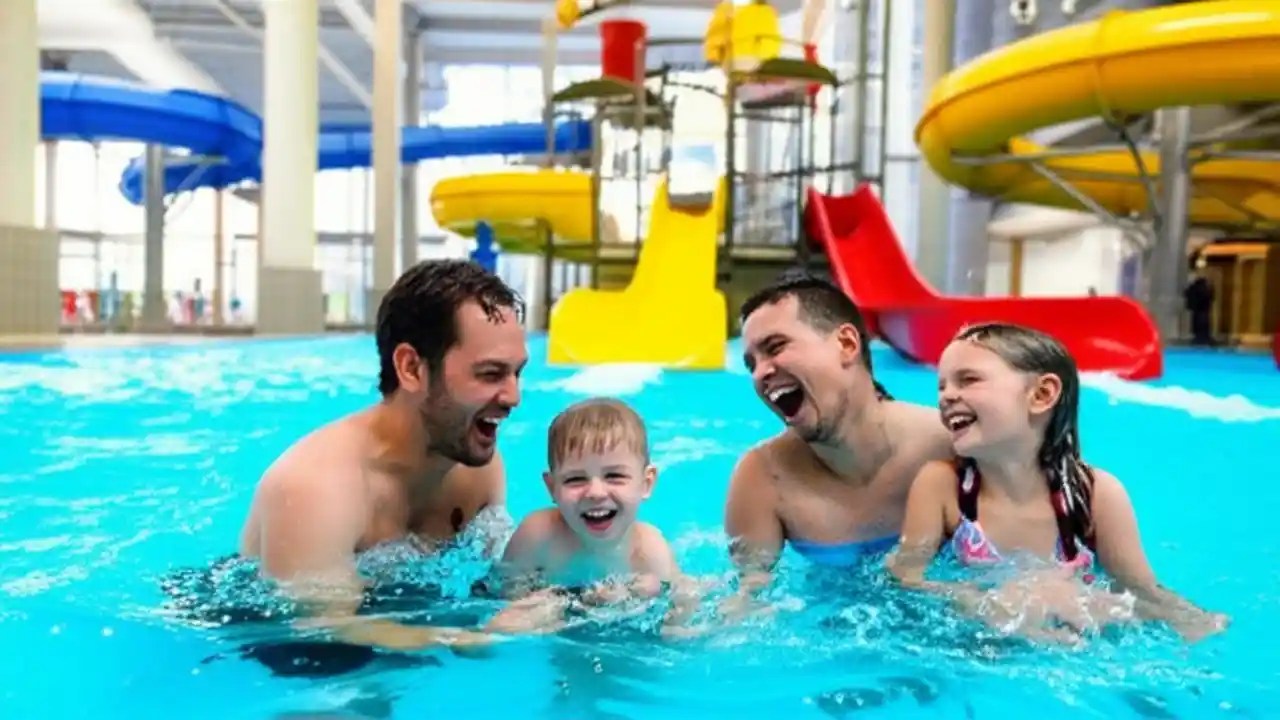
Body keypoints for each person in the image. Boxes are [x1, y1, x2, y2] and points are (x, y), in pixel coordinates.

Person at [238, 259, 528, 650]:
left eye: (517, 373)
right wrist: (471, 639)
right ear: (411, 368)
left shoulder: (479, 466)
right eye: (491, 374)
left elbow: (493, 584)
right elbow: (321, 631)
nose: (513, 397)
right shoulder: (316, 488)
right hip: (269, 640)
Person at [888, 322, 1227, 642]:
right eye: (942, 384)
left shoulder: (1096, 495)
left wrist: (1194, 621)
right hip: (978, 645)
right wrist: (983, 602)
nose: (946, 396)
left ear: (1042, 394)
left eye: (968, 379)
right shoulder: (943, 486)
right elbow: (904, 581)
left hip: (1069, 646)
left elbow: (1141, 590)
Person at [724, 272, 954, 598]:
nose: (761, 373)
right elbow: (748, 599)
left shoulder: (950, 447)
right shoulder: (763, 478)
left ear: (846, 344)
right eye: (751, 364)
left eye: (775, 347)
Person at [485, 398, 695, 636]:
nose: (595, 492)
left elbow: (680, 615)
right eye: (575, 479)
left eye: (614, 476)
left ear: (646, 483)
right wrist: (557, 606)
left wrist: (642, 602)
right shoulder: (538, 536)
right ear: (552, 488)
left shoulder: (649, 550)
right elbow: (502, 596)